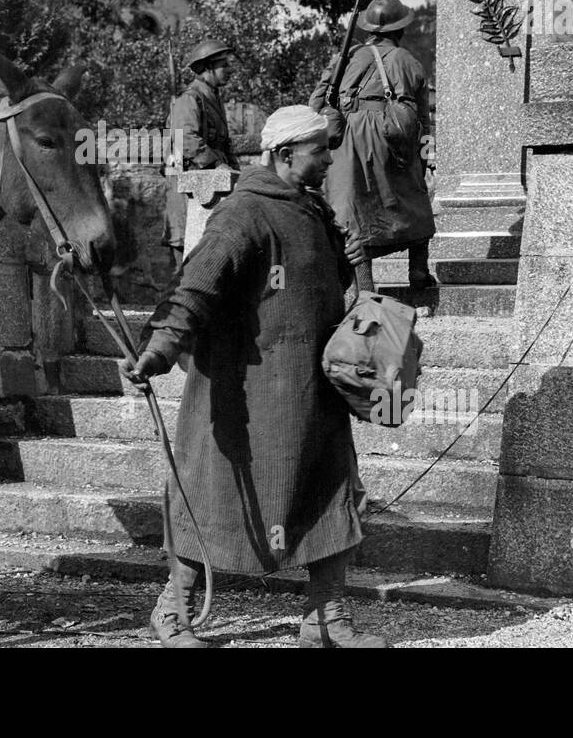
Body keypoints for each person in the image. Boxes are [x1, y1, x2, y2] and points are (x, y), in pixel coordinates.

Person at [123, 105, 388, 649]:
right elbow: (195, 286)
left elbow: (334, 292)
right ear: (287, 154)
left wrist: (354, 261)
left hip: (313, 393)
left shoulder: (314, 213)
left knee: (328, 493)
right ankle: (173, 610)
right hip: (245, 393)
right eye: (321, 150)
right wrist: (159, 349)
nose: (330, 158)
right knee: (208, 494)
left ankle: (325, 619)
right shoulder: (242, 215)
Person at [310, 0, 436, 292]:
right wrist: (427, 154)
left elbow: (316, 101)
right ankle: (418, 271)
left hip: (346, 138)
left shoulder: (348, 57)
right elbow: (423, 117)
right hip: (392, 135)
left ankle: (364, 286)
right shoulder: (407, 60)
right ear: (399, 30)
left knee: (353, 208)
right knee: (413, 198)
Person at [161, 39, 241, 269]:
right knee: (186, 257)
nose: (229, 70)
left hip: (208, 185)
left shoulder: (212, 97)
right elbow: (185, 137)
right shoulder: (191, 99)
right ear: (206, 68)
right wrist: (217, 164)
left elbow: (223, 144)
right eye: (223, 65)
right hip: (187, 185)